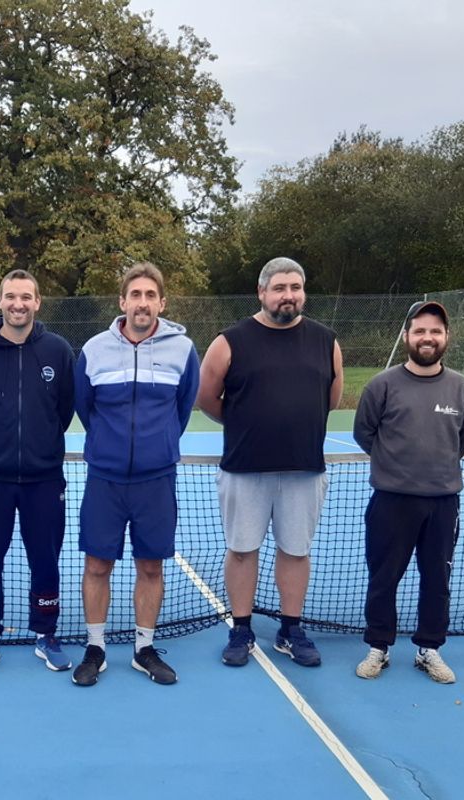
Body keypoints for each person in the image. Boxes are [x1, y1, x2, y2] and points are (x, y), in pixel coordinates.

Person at [197, 256, 343, 668]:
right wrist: (246, 423)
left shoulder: (325, 340)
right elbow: (206, 397)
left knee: (295, 551)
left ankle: (290, 628)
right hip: (245, 467)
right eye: (279, 288)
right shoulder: (230, 340)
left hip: (304, 469)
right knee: (242, 550)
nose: (288, 295)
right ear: (262, 292)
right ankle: (241, 627)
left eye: (295, 287)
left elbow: (330, 399)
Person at [71, 263, 200, 687]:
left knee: (150, 568)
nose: (142, 303)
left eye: (150, 295)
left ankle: (144, 649)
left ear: (161, 303)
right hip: (105, 480)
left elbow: (181, 410)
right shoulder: (93, 349)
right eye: (135, 295)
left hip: (156, 481)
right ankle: (96, 648)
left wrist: (155, 447)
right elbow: (85, 408)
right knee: (97, 565)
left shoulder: (183, 351)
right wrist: (110, 448)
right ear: (122, 302)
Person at [0, 269, 75, 677]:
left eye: (26, 297)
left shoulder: (58, 351)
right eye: (10, 297)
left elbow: (64, 410)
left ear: (37, 302)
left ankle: (46, 633)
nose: (18, 304)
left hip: (44, 479)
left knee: (46, 559)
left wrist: (38, 447)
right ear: (0, 301)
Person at [352, 301, 464, 683]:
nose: (428, 338)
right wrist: (396, 469)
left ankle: (429, 649)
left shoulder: (462, 388)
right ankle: (379, 647)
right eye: (420, 331)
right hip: (391, 502)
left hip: (442, 504)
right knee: (383, 577)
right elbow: (365, 434)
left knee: (436, 580)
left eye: (435, 331)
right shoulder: (382, 385)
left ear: (446, 338)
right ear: (408, 336)